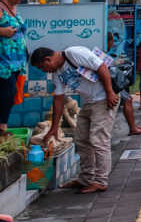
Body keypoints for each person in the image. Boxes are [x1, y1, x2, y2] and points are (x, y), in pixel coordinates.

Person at [31, 45, 119, 193]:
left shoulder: (73, 53)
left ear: (48, 59)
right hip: (89, 102)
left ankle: (101, 181)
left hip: (104, 98)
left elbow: (101, 67)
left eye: (42, 67)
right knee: (81, 139)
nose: (43, 71)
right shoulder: (57, 73)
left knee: (99, 139)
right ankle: (86, 178)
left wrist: (110, 92)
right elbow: (58, 99)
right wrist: (54, 128)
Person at [0, 0, 29, 130]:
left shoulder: (13, 7)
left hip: (15, 62)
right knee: (7, 91)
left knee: (10, 92)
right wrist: (3, 31)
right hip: (0, 62)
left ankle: (0, 123)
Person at [106, 32, 141, 137]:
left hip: (113, 84)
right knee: (127, 100)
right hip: (110, 86)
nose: (113, 44)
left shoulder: (107, 51)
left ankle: (133, 127)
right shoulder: (103, 52)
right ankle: (133, 128)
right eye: (112, 41)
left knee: (128, 99)